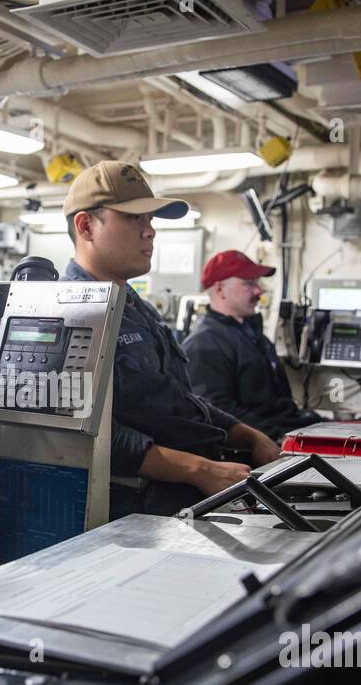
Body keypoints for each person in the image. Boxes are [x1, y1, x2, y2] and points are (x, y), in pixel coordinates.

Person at [61, 162, 281, 520]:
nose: (150, 233)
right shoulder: (68, 313)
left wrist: (245, 435)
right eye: (134, 219)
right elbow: (84, 432)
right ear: (86, 226)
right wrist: (199, 469)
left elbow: (178, 400)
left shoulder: (136, 307)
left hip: (178, 499)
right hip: (130, 513)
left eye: (150, 221)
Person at [183, 250, 323, 441]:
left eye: (257, 283)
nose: (260, 290)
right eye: (249, 283)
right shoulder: (204, 343)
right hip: (267, 443)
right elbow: (216, 412)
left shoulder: (254, 336)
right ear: (219, 290)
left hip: (292, 428)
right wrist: (278, 438)